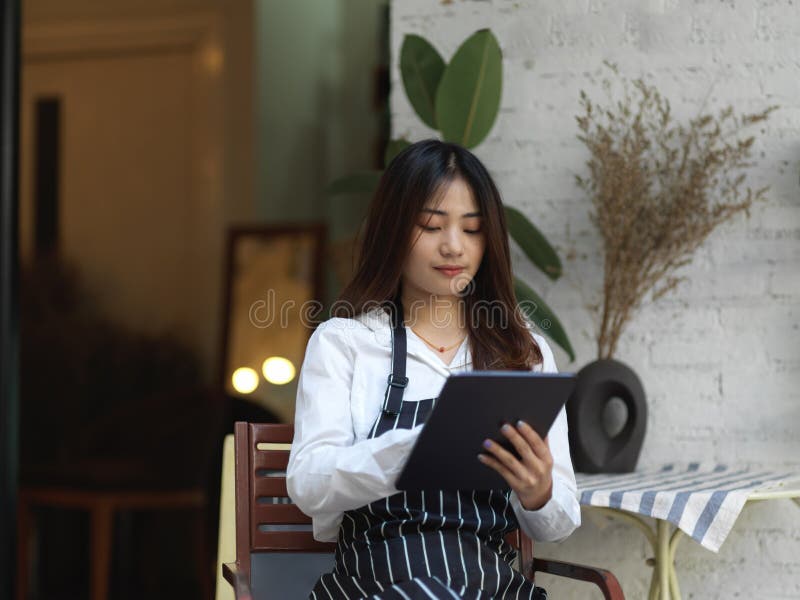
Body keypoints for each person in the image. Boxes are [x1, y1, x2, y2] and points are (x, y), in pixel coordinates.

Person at [286, 140, 580, 599]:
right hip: (375, 581)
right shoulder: (345, 343)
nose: (453, 246)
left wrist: (538, 490)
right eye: (430, 225)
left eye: (472, 228)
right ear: (393, 231)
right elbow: (308, 485)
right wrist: (407, 454)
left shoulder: (525, 353)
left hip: (487, 583)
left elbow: (560, 522)